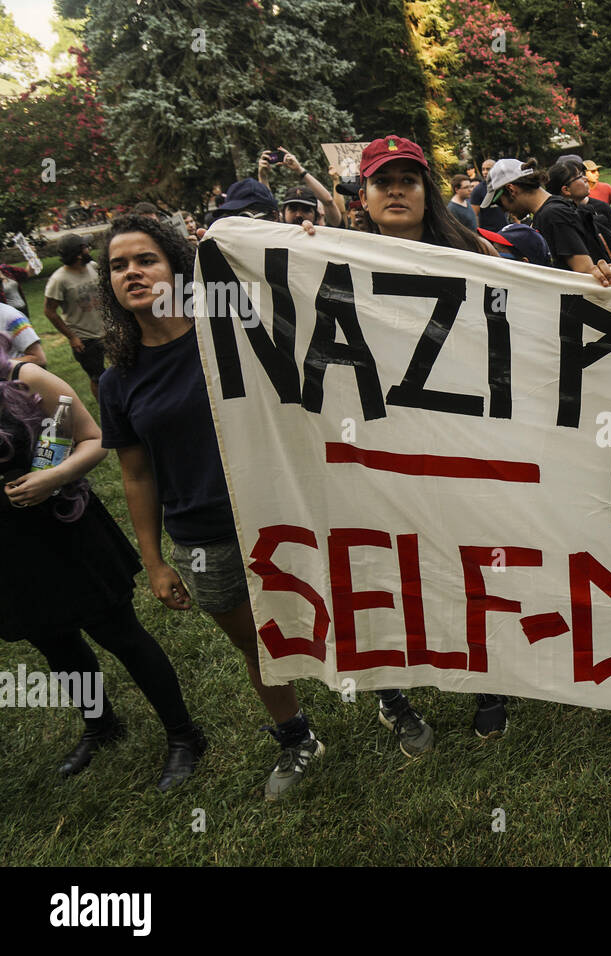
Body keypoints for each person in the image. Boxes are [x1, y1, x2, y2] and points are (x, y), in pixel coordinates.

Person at [97, 215, 326, 799]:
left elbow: (310, 308)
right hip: (201, 533)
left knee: (338, 607)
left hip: (285, 506)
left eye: (144, 259)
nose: (133, 273)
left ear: (176, 265)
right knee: (256, 643)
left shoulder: (232, 329)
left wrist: (305, 241)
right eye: (119, 266)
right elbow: (136, 473)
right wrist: (154, 560)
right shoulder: (117, 380)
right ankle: (295, 736)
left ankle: (390, 699)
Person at [300, 136, 508, 742]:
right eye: (383, 181)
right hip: (368, 436)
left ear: (426, 191)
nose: (396, 190)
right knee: (380, 558)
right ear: (362, 194)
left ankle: (486, 679)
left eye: (408, 180)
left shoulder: (469, 251)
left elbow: (535, 308)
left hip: (456, 431)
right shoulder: (331, 256)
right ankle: (392, 690)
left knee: (465, 553)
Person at [2, 337, 205, 790]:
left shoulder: (25, 377)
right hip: (9, 550)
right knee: (55, 643)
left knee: (120, 634)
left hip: (62, 530)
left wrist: (52, 476)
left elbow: (94, 439)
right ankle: (101, 726)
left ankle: (183, 735)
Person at [485, 158, 611, 286]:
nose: (504, 210)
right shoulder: (552, 210)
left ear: (511, 190)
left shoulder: (552, 215)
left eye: (499, 202)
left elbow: (585, 275)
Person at [43, 234, 105, 401]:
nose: (89, 249)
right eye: (86, 247)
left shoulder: (93, 266)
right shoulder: (59, 280)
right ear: (78, 254)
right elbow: (49, 311)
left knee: (123, 368)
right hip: (85, 338)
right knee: (98, 377)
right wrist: (72, 337)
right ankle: (105, 408)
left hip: (108, 330)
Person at [550, 161, 611, 258]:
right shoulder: (568, 222)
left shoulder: (595, 208)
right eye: (579, 176)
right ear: (566, 190)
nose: (585, 178)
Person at [257, 147, 343, 226]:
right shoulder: (277, 232)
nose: (298, 215)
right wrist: (262, 176)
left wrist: (299, 170)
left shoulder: (327, 235)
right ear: (282, 214)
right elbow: (268, 207)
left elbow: (328, 202)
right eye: (293, 209)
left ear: (316, 215)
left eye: (306, 210)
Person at [470, 159, 508, 232]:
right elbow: (474, 215)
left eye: (488, 169)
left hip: (504, 230)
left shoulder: (503, 186)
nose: (485, 172)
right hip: (488, 232)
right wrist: (478, 234)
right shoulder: (478, 190)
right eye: (483, 169)